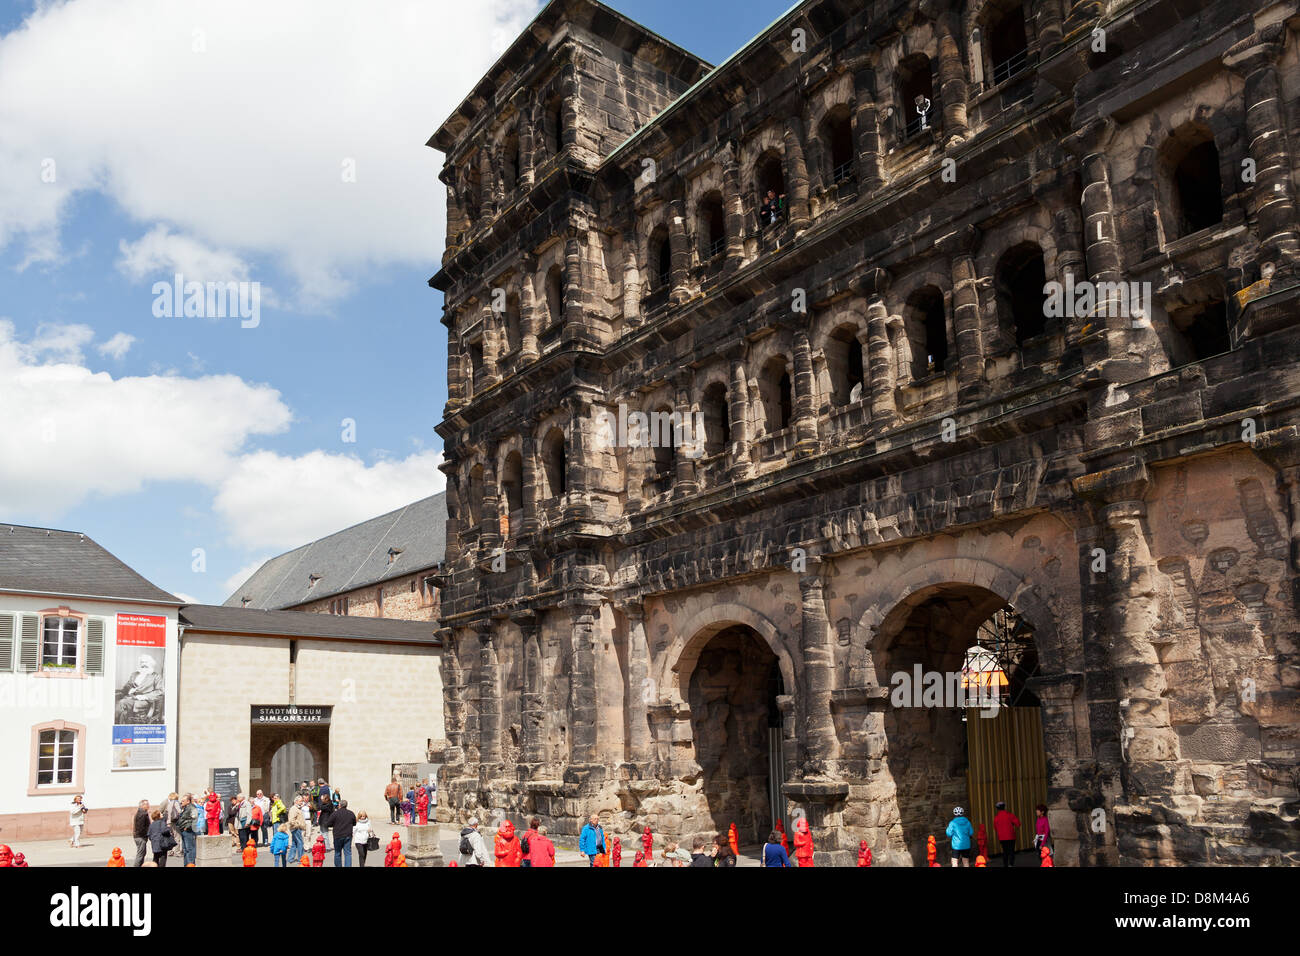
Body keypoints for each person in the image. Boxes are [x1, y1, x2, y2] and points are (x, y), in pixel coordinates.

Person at [114, 652, 163, 723]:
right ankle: (119, 722)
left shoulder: (156, 676)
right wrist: (129, 689)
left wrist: (144, 696)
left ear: (151, 664)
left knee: (122, 703)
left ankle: (118, 723)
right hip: (131, 697)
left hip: (144, 700)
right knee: (116, 700)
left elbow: (160, 691)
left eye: (146, 662)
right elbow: (126, 687)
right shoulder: (134, 674)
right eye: (141, 662)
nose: (143, 664)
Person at [993, 801, 1020, 867]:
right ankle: (1011, 864)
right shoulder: (1010, 815)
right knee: (1011, 851)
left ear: (997, 808)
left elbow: (995, 828)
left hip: (1002, 837)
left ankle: (1005, 865)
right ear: (1004, 807)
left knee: (1005, 851)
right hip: (1011, 836)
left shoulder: (996, 818)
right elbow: (1018, 824)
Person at [332, 799, 357, 868]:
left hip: (338, 835)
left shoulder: (335, 813)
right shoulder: (351, 813)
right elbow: (354, 823)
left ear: (339, 805)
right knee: (348, 853)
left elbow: (328, 823)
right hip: (347, 835)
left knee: (337, 853)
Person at [176, 794, 198, 866]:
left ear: (188, 801)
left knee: (190, 849)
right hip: (183, 830)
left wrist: (187, 827)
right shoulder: (185, 808)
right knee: (185, 849)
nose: (181, 802)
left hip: (188, 831)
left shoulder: (192, 807)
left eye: (183, 801)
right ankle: (186, 864)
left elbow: (194, 819)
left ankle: (190, 864)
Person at [288, 796, 308, 864]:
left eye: (302, 801)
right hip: (296, 828)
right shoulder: (294, 809)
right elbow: (291, 820)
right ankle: (300, 859)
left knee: (294, 844)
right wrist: (298, 825)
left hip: (296, 828)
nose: (301, 802)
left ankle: (290, 858)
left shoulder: (297, 808)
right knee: (300, 843)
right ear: (296, 801)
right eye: (300, 801)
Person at [132, 799, 151, 866]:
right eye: (147, 804)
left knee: (142, 853)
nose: (149, 805)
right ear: (142, 805)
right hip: (140, 837)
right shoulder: (143, 814)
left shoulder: (142, 812)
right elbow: (141, 828)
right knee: (140, 854)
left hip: (139, 836)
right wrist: (147, 834)